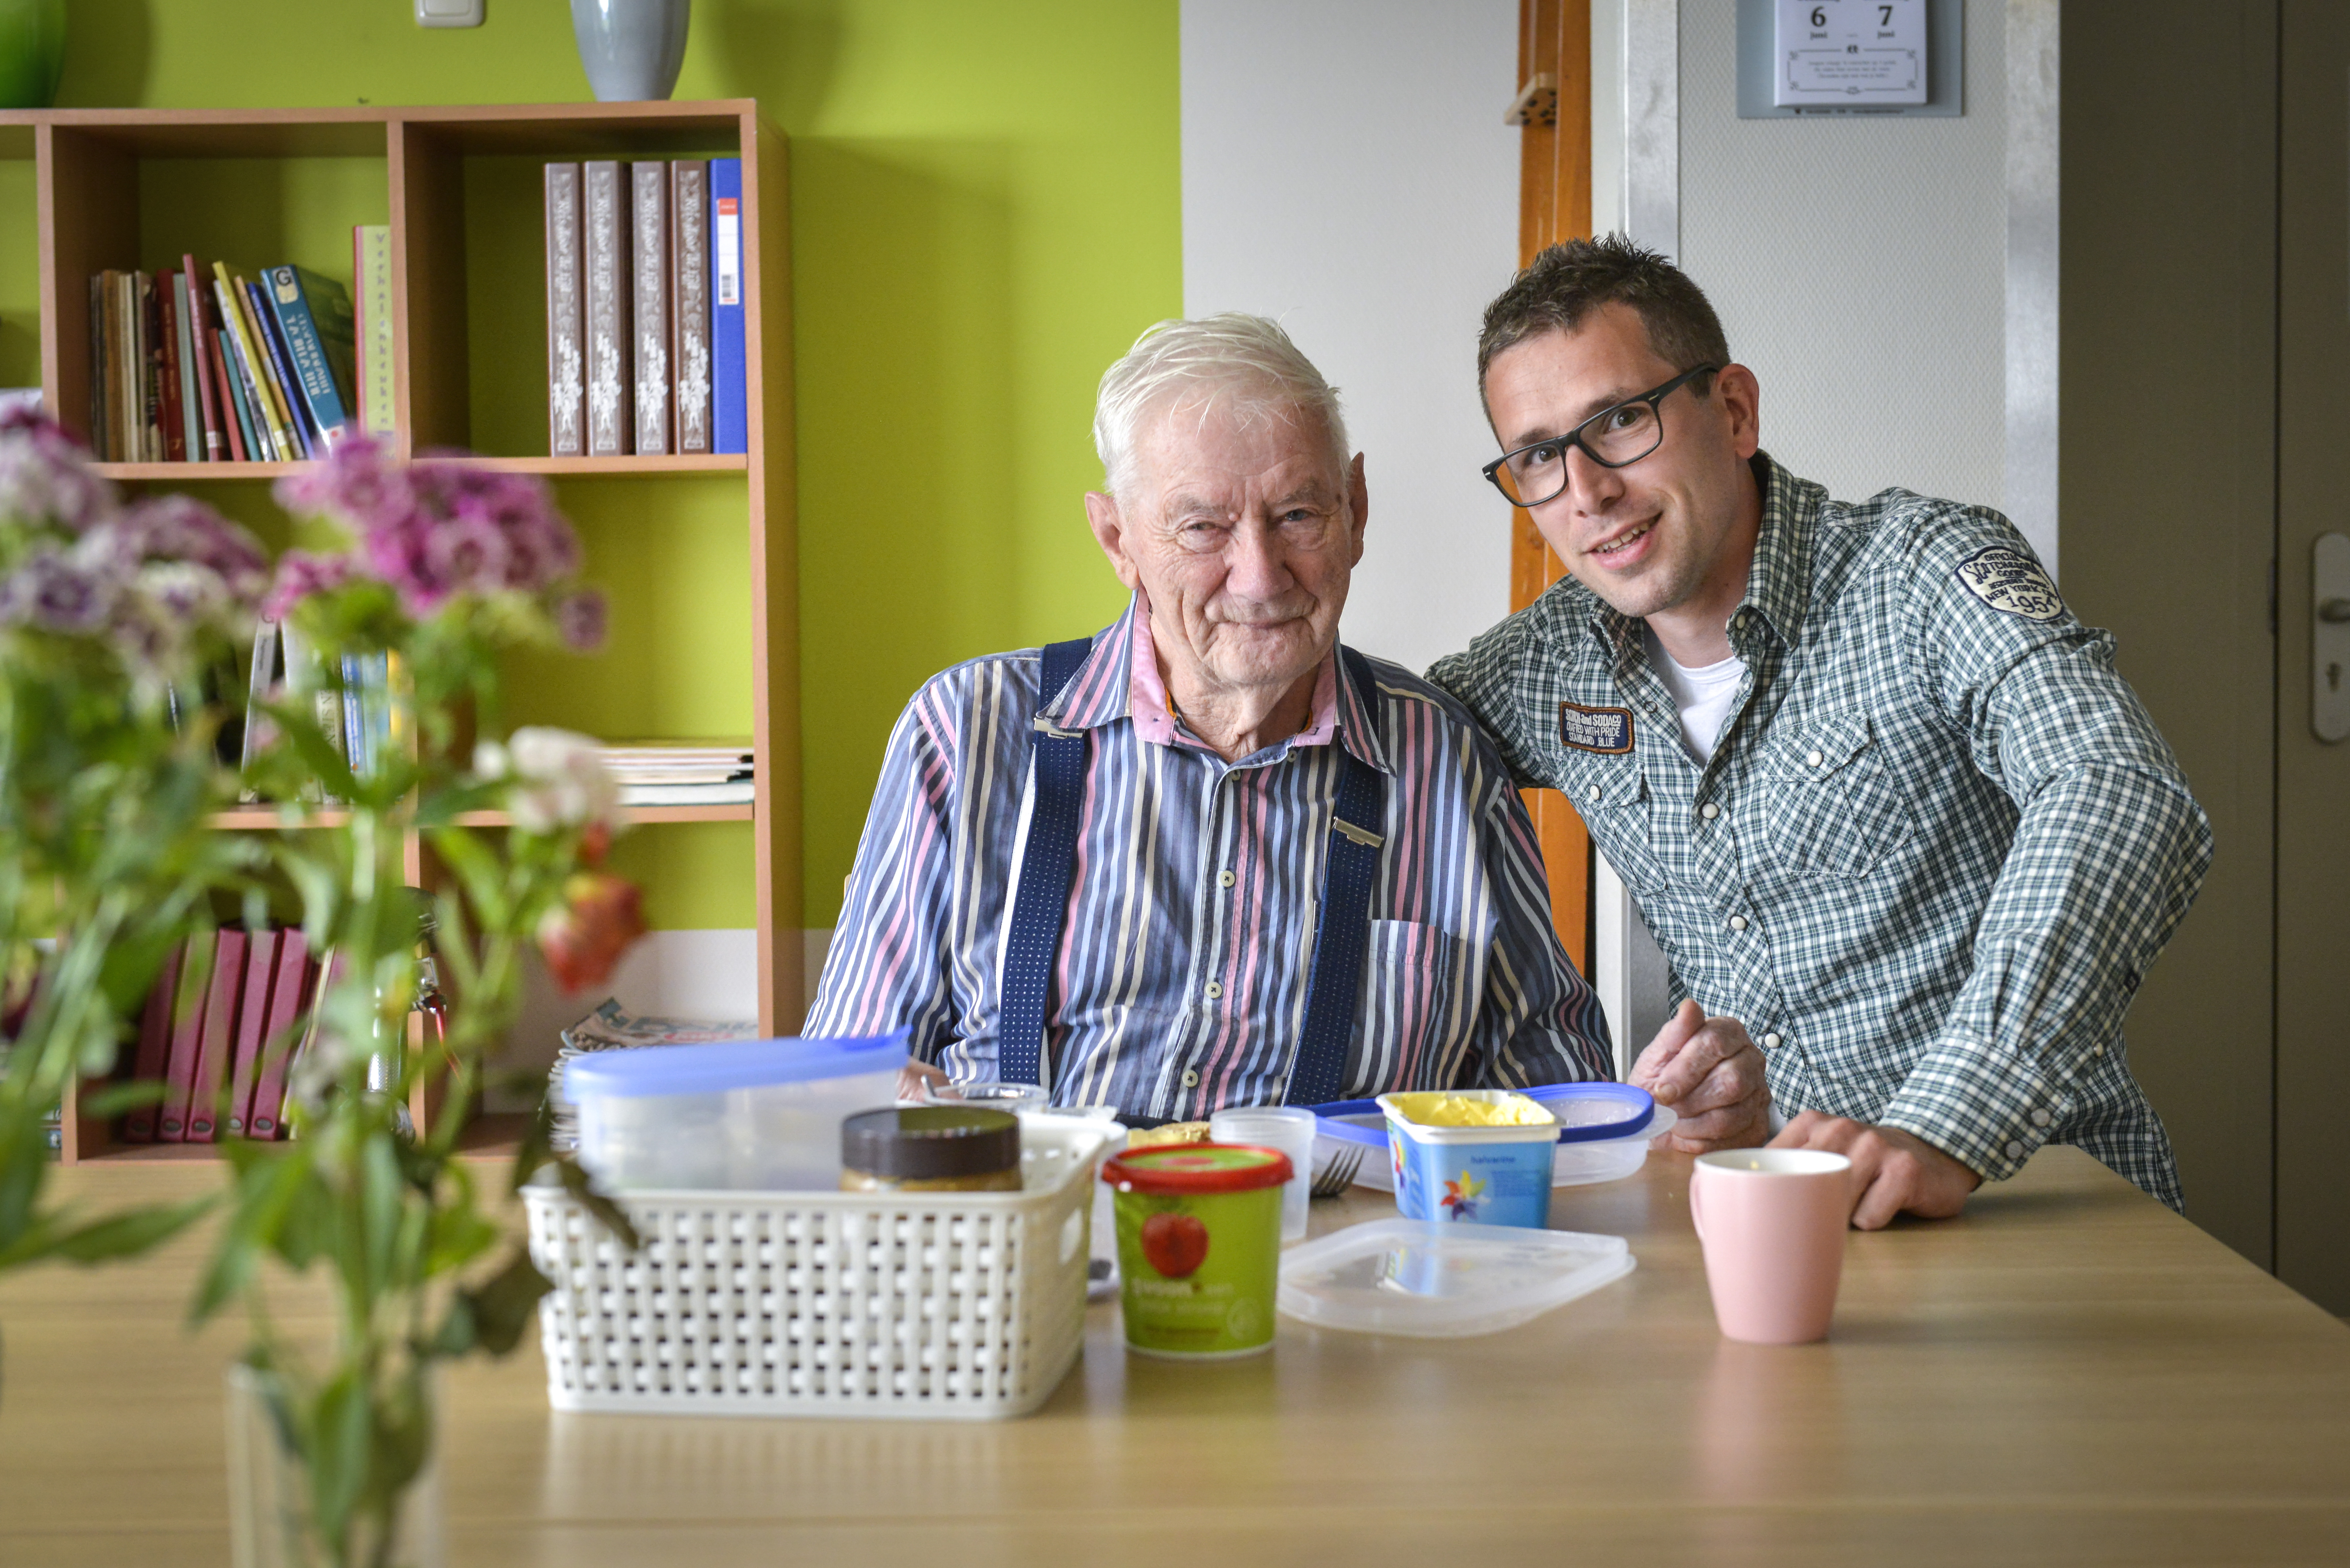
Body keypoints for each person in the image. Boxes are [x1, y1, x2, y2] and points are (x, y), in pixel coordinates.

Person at [805, 314, 1769, 1142]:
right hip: (1042, 1286)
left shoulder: (1444, 759)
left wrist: (1650, 1114)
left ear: (1355, 508)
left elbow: (1551, 1100)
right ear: (1118, 540)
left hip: (1350, 1298)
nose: (1260, 578)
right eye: (1202, 529)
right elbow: (839, 1085)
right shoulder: (965, 735)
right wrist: (866, 1103)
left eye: (1298, 514)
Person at [1428, 237, 2213, 1228]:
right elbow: (1367, 747)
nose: (1587, 494)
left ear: (1734, 410)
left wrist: (1946, 1124)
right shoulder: (1546, 668)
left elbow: (2118, 788)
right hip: (1786, 1233)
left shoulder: (1920, 572)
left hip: (2036, 1203)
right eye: (1540, 455)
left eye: (1621, 421)